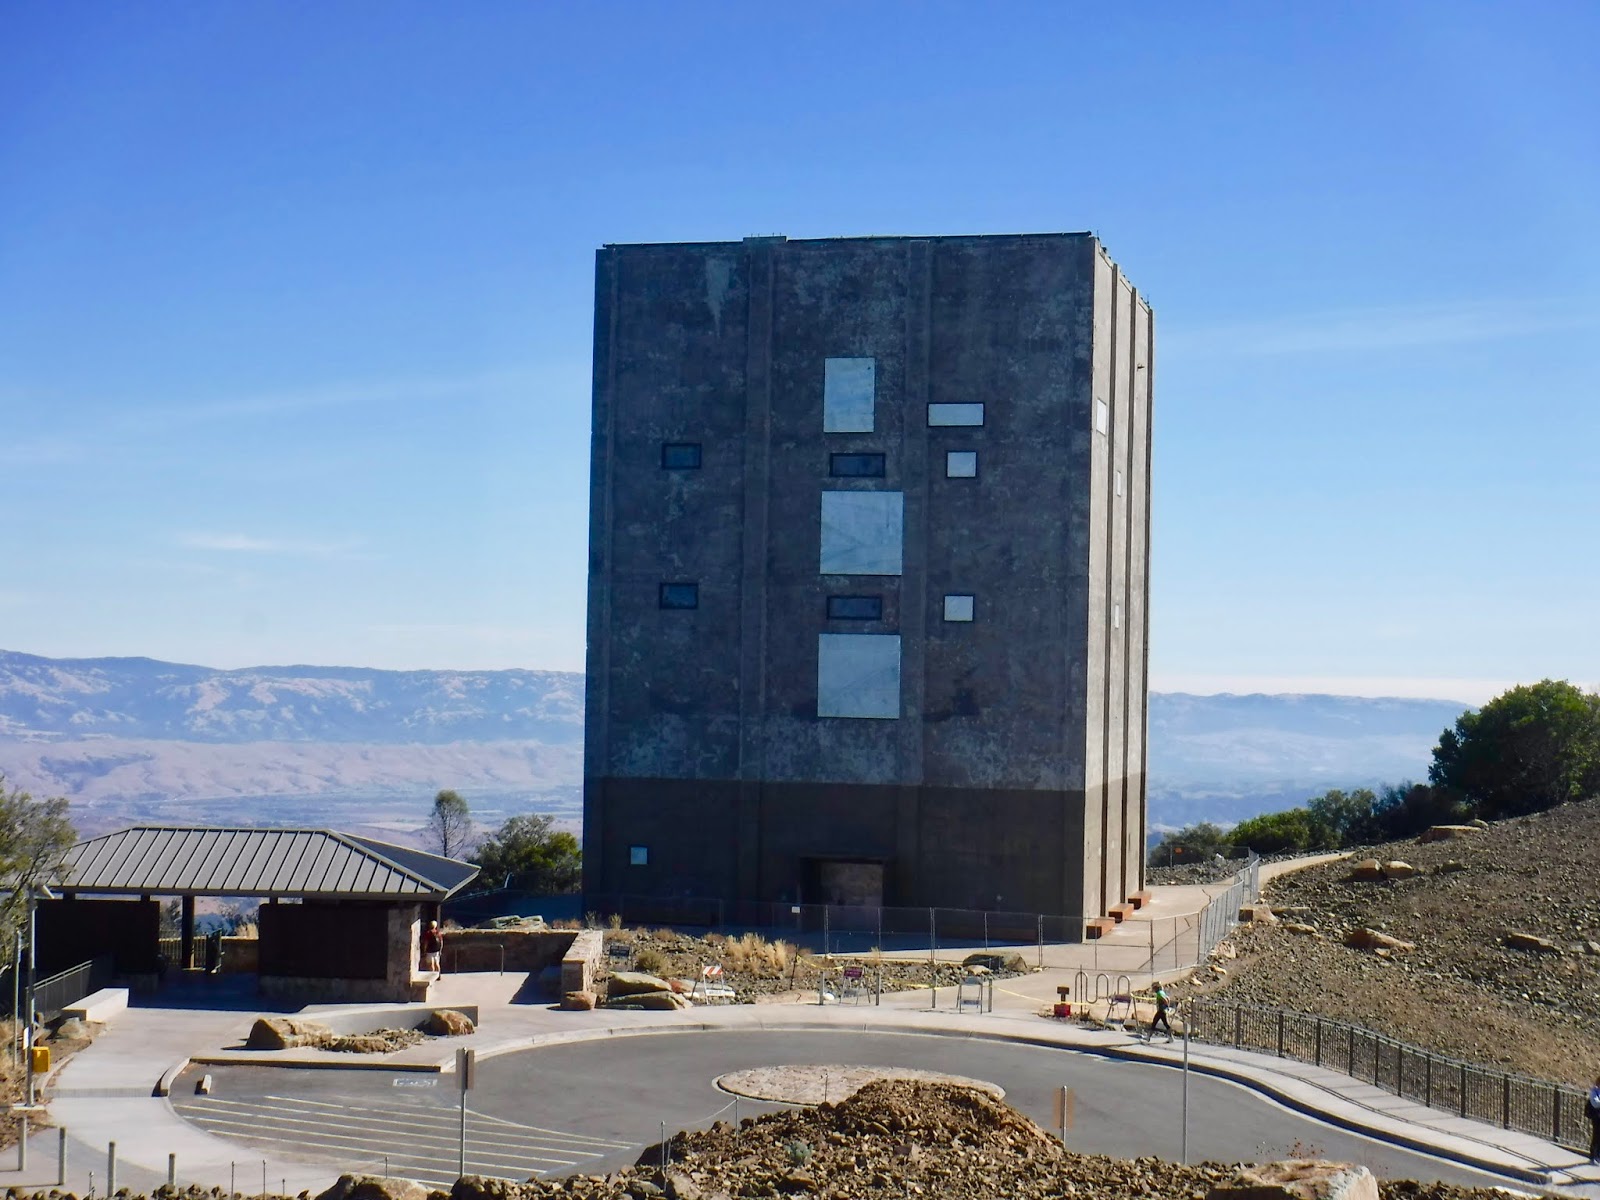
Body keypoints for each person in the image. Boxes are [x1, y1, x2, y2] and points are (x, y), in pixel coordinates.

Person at [1587, 1075, 1600, 1163]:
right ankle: (1593, 1155)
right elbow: (1595, 1103)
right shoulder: (1594, 1091)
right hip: (1597, 1117)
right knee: (1596, 1135)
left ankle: (1598, 1155)